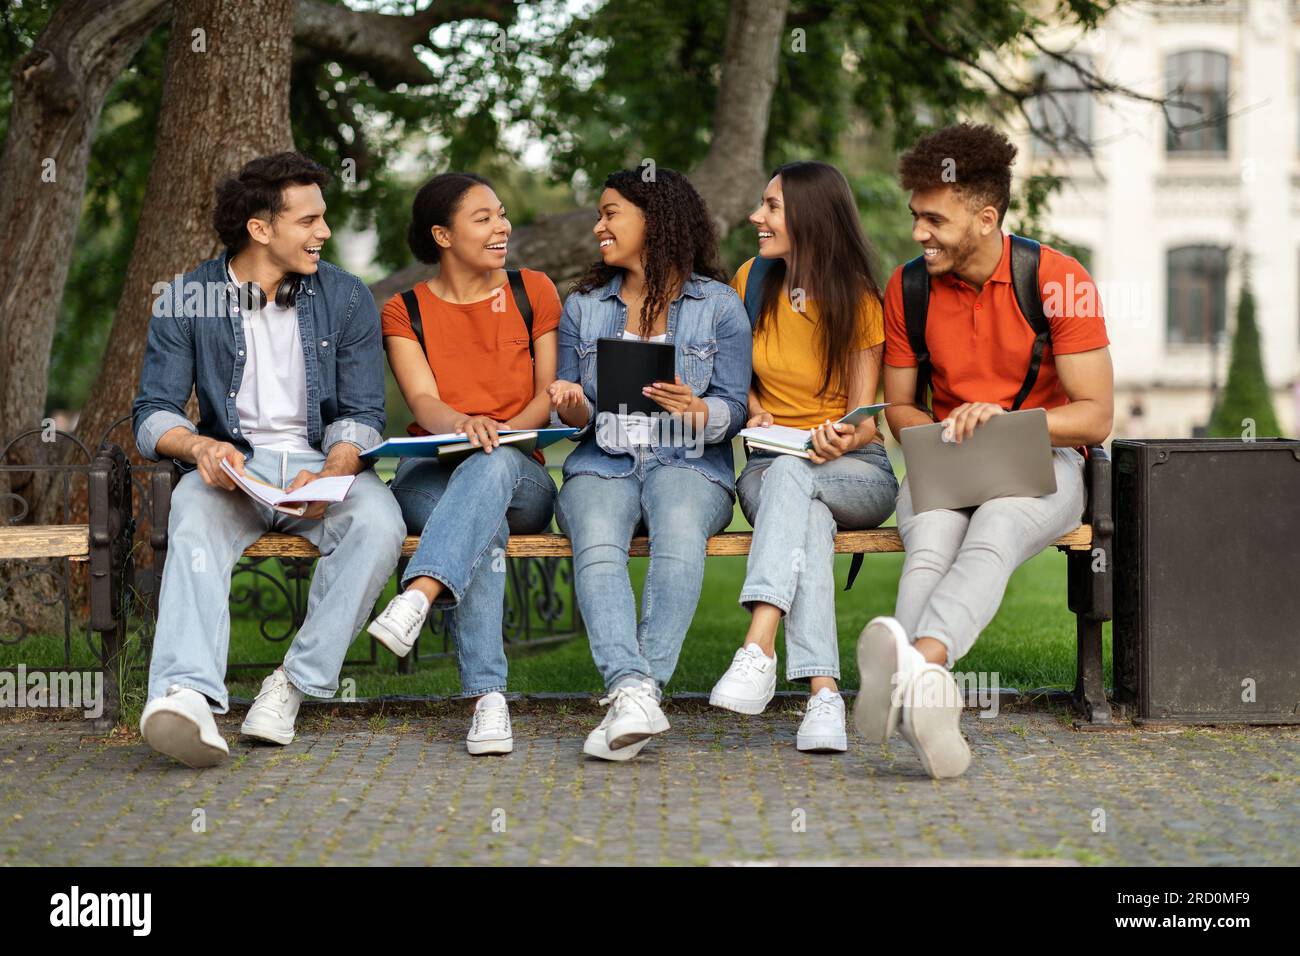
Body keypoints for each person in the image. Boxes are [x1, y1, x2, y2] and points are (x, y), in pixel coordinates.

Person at [133, 152, 405, 768]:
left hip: (321, 463)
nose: (324, 233)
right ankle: (187, 697)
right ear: (261, 229)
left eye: (324, 219)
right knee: (193, 517)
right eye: (309, 221)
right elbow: (152, 414)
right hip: (235, 472)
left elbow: (363, 415)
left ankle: (291, 684)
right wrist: (201, 446)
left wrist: (334, 471)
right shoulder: (188, 297)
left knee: (378, 523)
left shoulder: (347, 297)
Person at [858, 122, 1113, 778]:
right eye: (916, 217)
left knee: (995, 529)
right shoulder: (908, 288)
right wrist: (941, 434)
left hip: (1046, 462)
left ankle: (917, 662)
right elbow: (899, 407)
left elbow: (1094, 417)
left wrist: (1006, 420)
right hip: (948, 455)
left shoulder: (1058, 279)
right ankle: (930, 710)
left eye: (934, 220)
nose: (919, 233)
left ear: (985, 217)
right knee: (930, 545)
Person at [549, 168, 752, 761]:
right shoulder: (584, 306)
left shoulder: (718, 306)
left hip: (688, 463)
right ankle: (633, 688)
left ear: (654, 219)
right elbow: (573, 415)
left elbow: (736, 407)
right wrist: (573, 403)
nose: (599, 226)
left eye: (611, 213)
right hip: (603, 459)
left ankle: (639, 688)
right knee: (595, 537)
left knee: (680, 529)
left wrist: (699, 409)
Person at [366, 173, 561, 756]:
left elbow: (546, 395)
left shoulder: (533, 291)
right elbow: (423, 402)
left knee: (495, 465)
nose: (501, 227)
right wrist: (463, 424)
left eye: (501, 214)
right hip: (432, 476)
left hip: (520, 473)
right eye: (483, 218)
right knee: (484, 527)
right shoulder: (403, 310)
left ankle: (419, 596)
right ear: (442, 235)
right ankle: (489, 701)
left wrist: (498, 433)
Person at [707, 161, 898, 753]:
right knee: (803, 514)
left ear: (810, 219)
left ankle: (759, 643)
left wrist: (843, 436)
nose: (755, 218)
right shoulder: (749, 280)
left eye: (770, 207)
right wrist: (756, 409)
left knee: (801, 479)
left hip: (856, 474)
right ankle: (822, 696)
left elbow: (865, 421)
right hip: (770, 466)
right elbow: (735, 377)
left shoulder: (861, 299)